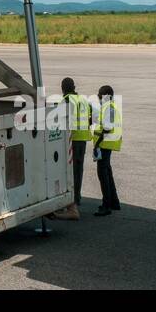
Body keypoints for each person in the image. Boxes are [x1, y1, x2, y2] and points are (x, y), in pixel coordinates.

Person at [53, 78, 92, 221]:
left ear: (62, 88)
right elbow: (90, 118)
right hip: (83, 137)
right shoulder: (82, 99)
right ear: (74, 87)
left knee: (69, 171)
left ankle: (72, 201)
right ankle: (77, 197)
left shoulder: (66, 100)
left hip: (72, 139)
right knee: (79, 169)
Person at [93, 84, 123, 216]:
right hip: (108, 144)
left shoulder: (108, 107)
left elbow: (107, 127)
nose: (98, 96)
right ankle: (114, 201)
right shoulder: (110, 106)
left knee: (102, 174)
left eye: (99, 94)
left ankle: (106, 205)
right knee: (108, 172)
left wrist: (97, 144)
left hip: (105, 144)